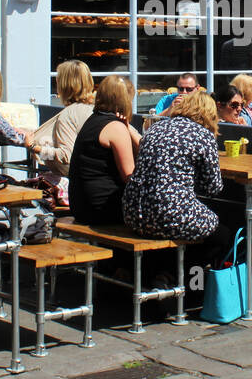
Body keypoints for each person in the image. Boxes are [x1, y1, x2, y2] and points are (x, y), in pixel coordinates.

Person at [123, 91, 230, 265]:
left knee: (185, 223)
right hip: (167, 215)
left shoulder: (155, 129)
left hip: (133, 213)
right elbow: (214, 188)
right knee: (221, 234)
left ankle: (168, 274)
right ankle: (194, 284)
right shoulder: (203, 135)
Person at [68, 75, 140, 225]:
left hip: (81, 204)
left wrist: (128, 128)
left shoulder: (93, 120)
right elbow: (129, 176)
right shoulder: (116, 128)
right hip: (103, 207)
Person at [32, 59, 97, 180]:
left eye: (58, 81)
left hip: (78, 183)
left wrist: (35, 148)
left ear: (64, 85)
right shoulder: (97, 109)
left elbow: (66, 156)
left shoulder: (68, 115)